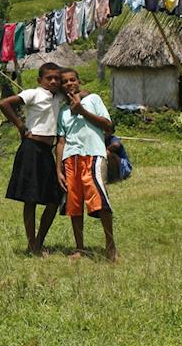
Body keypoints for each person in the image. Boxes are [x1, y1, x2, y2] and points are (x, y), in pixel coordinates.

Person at [0, 62, 64, 256]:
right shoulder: (33, 93)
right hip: (31, 148)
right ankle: (32, 244)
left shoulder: (58, 97)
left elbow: (78, 92)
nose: (53, 81)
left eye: (56, 78)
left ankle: (39, 241)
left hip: (47, 151)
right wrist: (20, 125)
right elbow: (4, 103)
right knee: (31, 198)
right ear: (40, 80)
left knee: (54, 198)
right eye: (49, 78)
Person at [55, 68, 118, 262]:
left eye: (72, 80)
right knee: (74, 205)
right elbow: (61, 141)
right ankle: (79, 247)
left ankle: (110, 246)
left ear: (79, 81)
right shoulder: (63, 112)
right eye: (64, 81)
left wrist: (82, 110)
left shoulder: (94, 100)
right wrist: (59, 169)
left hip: (93, 155)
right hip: (71, 159)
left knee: (101, 200)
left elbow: (108, 125)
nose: (69, 84)